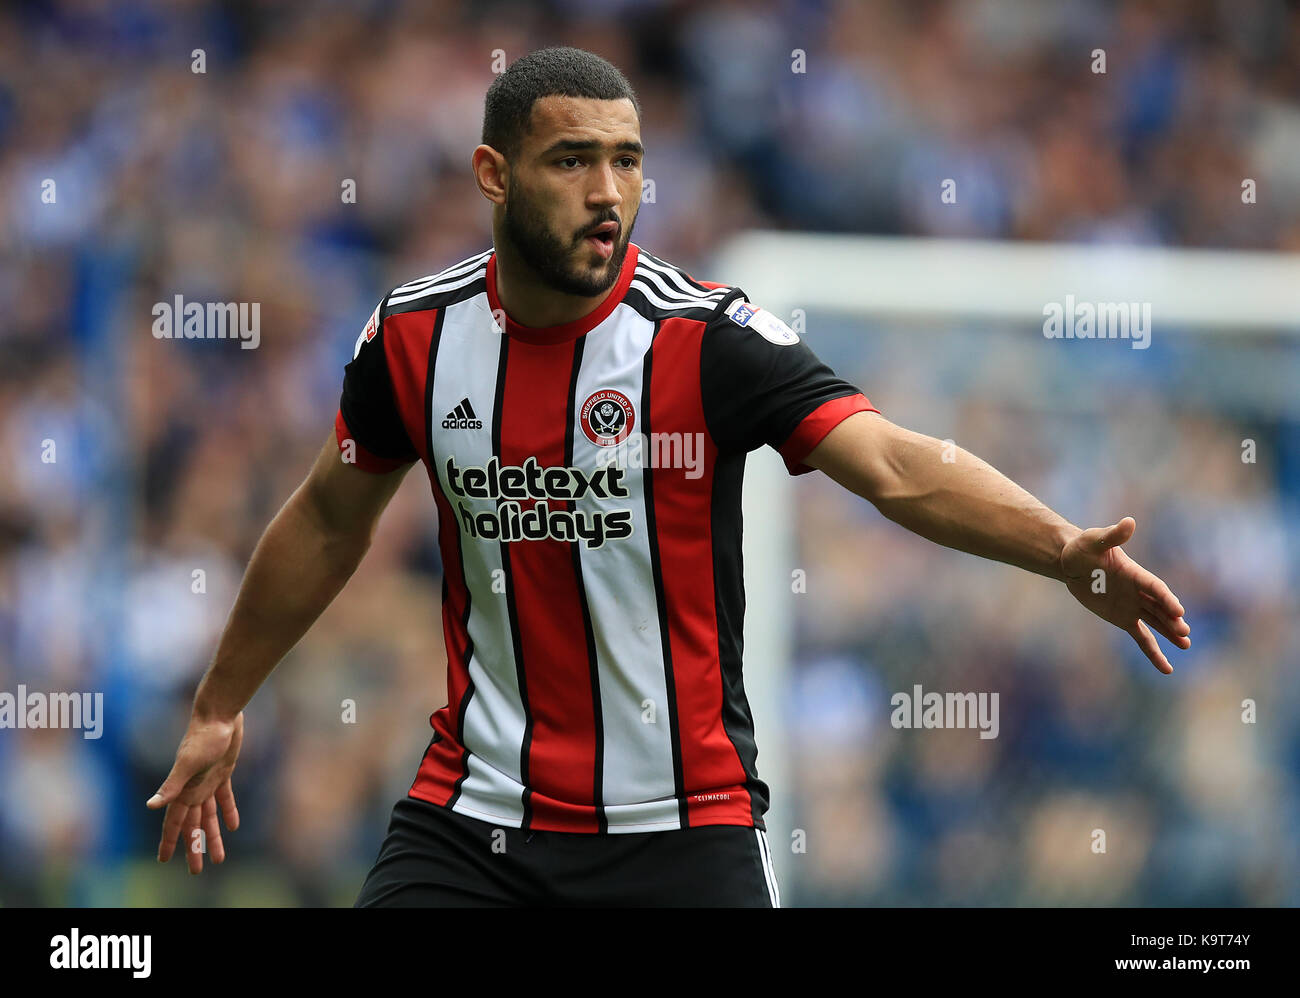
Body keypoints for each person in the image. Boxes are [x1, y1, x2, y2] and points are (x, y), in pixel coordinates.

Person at [147, 46, 1191, 907]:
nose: (607, 193)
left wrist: (1058, 549)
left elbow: (890, 464)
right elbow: (331, 516)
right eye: (570, 161)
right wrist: (221, 702)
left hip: (683, 833)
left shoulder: (705, 341)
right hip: (476, 823)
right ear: (492, 173)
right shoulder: (413, 336)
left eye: (627, 161)